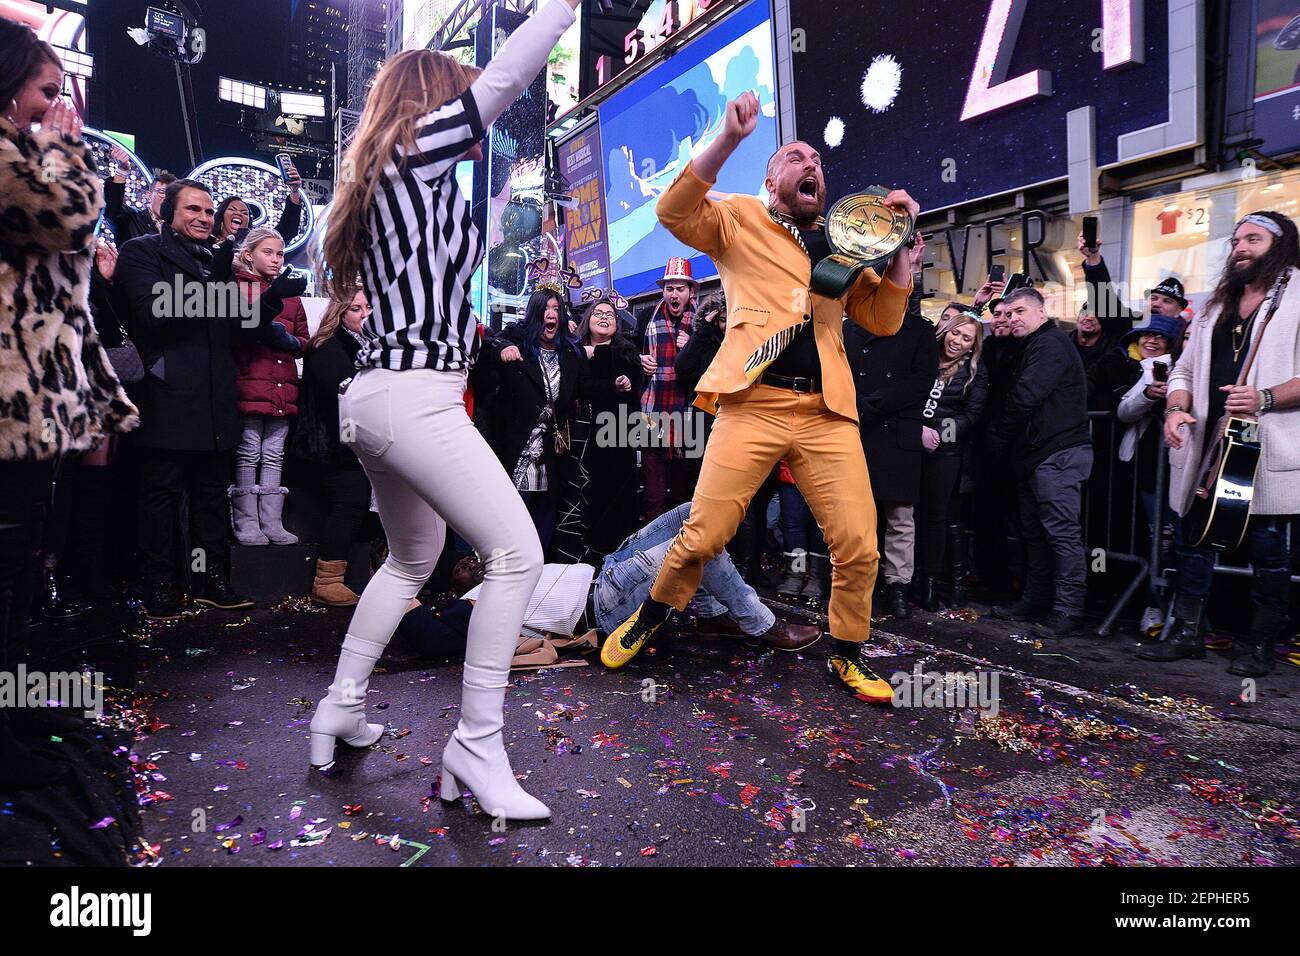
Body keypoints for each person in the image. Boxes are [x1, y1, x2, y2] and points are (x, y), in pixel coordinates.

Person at [310, 0, 581, 823]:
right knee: (517, 556)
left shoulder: (388, 181)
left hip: (382, 397)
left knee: (411, 558)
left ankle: (342, 706)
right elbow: (504, 79)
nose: (473, 119)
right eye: (456, 100)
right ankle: (477, 741)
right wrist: (560, 11)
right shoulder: (408, 152)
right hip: (414, 397)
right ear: (430, 103)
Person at [599, 91, 919, 703]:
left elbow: (880, 319)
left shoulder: (844, 245)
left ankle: (848, 653)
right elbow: (672, 210)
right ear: (772, 179)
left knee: (859, 544)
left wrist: (902, 252)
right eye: (797, 157)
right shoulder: (740, 217)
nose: (813, 166)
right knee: (705, 531)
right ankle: (653, 612)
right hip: (753, 402)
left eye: (819, 162)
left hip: (828, 413)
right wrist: (727, 139)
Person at [0, 18, 139, 786]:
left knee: (18, 563)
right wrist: (62, 148)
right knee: (6, 561)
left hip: (36, 397)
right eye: (50, 94)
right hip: (10, 398)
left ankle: (12, 712)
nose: (63, 110)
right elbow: (69, 219)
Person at [115, 178, 304, 619]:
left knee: (209, 496)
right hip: (168, 395)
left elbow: (243, 326)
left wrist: (272, 297)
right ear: (169, 213)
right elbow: (154, 309)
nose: (202, 218)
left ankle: (209, 579)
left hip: (218, 397)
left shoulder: (213, 263)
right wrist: (219, 282)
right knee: (161, 497)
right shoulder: (142, 251)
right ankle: (158, 583)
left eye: (207, 211)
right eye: (192, 210)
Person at [1146, 211, 1300, 677]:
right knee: (1194, 540)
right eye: (1236, 240)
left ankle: (1260, 644)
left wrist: (1266, 397)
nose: (1241, 248)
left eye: (1253, 239)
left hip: (1261, 448)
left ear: (1281, 245)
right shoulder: (1216, 305)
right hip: (1207, 447)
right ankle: (1189, 633)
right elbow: (1183, 370)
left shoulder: (1297, 296)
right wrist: (1175, 409)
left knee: (1267, 549)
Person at [398, 503, 820, 659]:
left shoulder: (503, 572)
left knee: (697, 511)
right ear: (453, 589)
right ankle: (762, 625)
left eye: (471, 557)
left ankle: (712, 615)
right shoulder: (473, 604)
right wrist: (402, 592)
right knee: (698, 545)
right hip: (605, 605)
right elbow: (433, 641)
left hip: (610, 570)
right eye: (462, 568)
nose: (473, 564)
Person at [984, 287, 1094, 638]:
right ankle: (1036, 599)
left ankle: (1068, 607)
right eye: (1008, 313)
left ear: (1040, 313)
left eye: (1019, 311)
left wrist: (997, 435)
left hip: (1057, 451)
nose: (1012, 318)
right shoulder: (1033, 345)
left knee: (1060, 533)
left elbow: (1025, 396)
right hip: (1038, 453)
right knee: (1035, 533)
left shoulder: (1050, 345)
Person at [846, 236, 939, 620]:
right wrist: (857, 406)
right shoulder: (849, 328)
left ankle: (897, 586)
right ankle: (857, 586)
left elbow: (921, 380)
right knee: (855, 517)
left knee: (900, 518)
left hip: (895, 431)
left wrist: (873, 405)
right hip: (857, 430)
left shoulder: (920, 331)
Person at [475, 287, 587, 552]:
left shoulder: (570, 355)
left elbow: (588, 387)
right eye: (545, 309)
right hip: (514, 455)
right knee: (508, 534)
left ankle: (540, 588)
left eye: (556, 310)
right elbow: (484, 373)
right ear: (535, 315)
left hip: (549, 459)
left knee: (542, 534)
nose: (551, 315)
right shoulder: (515, 345)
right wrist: (501, 349)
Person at [1090, 313, 1183, 633]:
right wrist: (1148, 394)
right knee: (1155, 540)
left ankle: (1178, 611)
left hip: (1181, 467)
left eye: (1161, 337)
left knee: (1173, 541)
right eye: (1147, 335)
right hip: (1145, 469)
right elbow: (1123, 411)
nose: (1152, 341)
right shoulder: (1138, 369)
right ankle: (1155, 607)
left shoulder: (1184, 366)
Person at [292, 289, 375, 606]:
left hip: (357, 443)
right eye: (356, 308)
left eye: (369, 307)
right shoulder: (328, 347)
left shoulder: (365, 346)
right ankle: (327, 581)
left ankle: (362, 574)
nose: (364, 314)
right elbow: (342, 395)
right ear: (340, 313)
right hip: (331, 444)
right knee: (352, 502)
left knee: (365, 507)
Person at [230, 227, 310, 547]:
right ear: (248, 254)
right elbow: (236, 333)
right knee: (248, 452)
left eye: (280, 253)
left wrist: (293, 342)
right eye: (268, 252)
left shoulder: (290, 296)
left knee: (274, 454)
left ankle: (272, 522)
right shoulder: (237, 289)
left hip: (283, 387)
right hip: (249, 382)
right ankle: (246, 522)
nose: (276, 259)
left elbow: (305, 339)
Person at [915, 309, 987, 611]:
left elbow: (971, 414)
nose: (958, 340)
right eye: (956, 332)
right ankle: (900, 580)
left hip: (945, 453)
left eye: (966, 338)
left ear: (973, 345)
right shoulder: (923, 355)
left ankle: (930, 582)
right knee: (902, 515)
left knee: (935, 517)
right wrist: (916, 429)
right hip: (908, 444)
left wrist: (938, 434)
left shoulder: (975, 371)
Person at [579, 296, 643, 557]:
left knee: (619, 499)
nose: (605, 316)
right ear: (587, 320)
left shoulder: (627, 351)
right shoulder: (575, 351)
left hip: (618, 437)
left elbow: (633, 382)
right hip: (583, 438)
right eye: (598, 313)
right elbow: (580, 387)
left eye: (610, 314)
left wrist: (621, 383)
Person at [639, 257, 698, 519]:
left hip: (689, 415)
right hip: (652, 413)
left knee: (683, 498)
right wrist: (638, 360)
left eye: (680, 289)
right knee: (653, 496)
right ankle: (651, 558)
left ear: (690, 292)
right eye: (670, 289)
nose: (674, 294)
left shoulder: (703, 326)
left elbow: (714, 369)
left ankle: (679, 556)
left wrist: (694, 347)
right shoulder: (645, 319)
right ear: (663, 291)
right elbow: (628, 354)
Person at [105, 143, 174, 244]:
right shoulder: (131, 219)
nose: (167, 198)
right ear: (149, 196)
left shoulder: (177, 229)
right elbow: (112, 209)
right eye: (162, 192)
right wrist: (122, 171)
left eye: (172, 195)